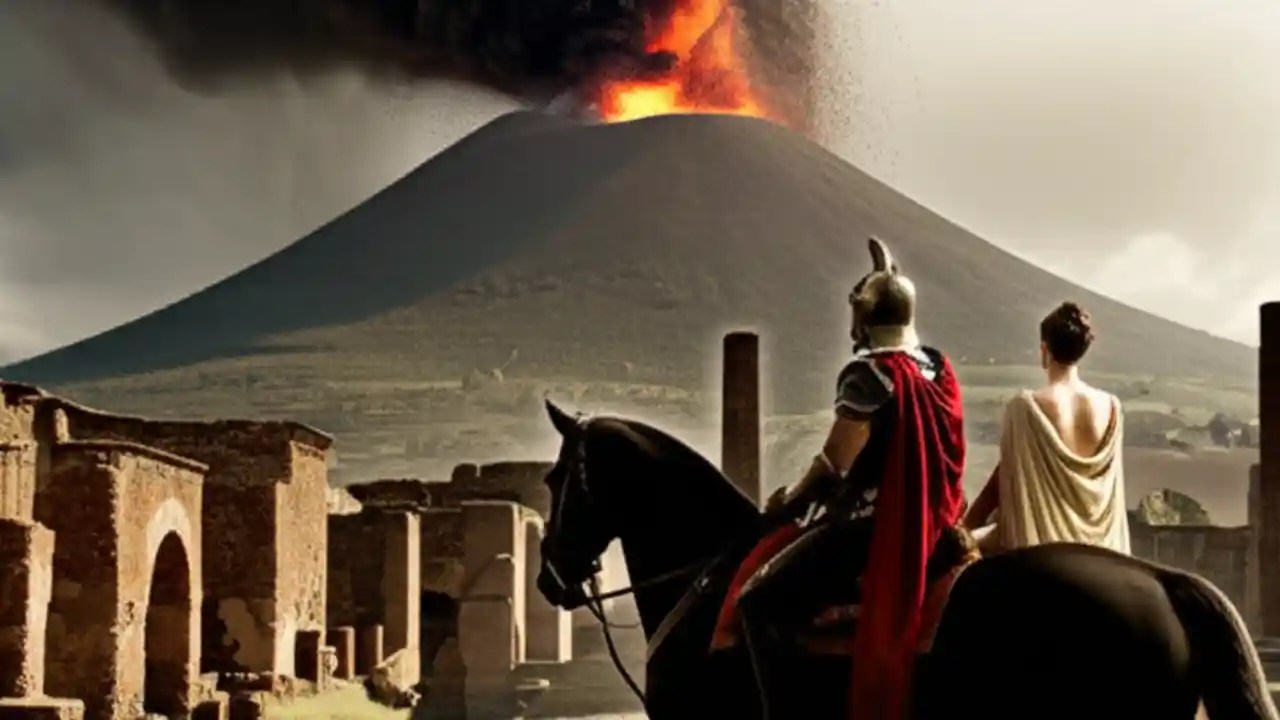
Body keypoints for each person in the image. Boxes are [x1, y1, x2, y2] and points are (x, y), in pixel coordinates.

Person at [710, 237, 968, 720]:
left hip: (870, 528)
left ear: (864, 317)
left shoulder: (869, 375)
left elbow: (835, 463)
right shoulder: (935, 369)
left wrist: (788, 503)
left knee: (757, 601)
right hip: (938, 520)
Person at [963, 301, 1130, 554]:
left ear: (1044, 349)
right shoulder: (1112, 407)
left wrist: (964, 527)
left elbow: (1003, 479)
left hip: (1041, 550)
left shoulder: (1024, 407)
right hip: (1103, 548)